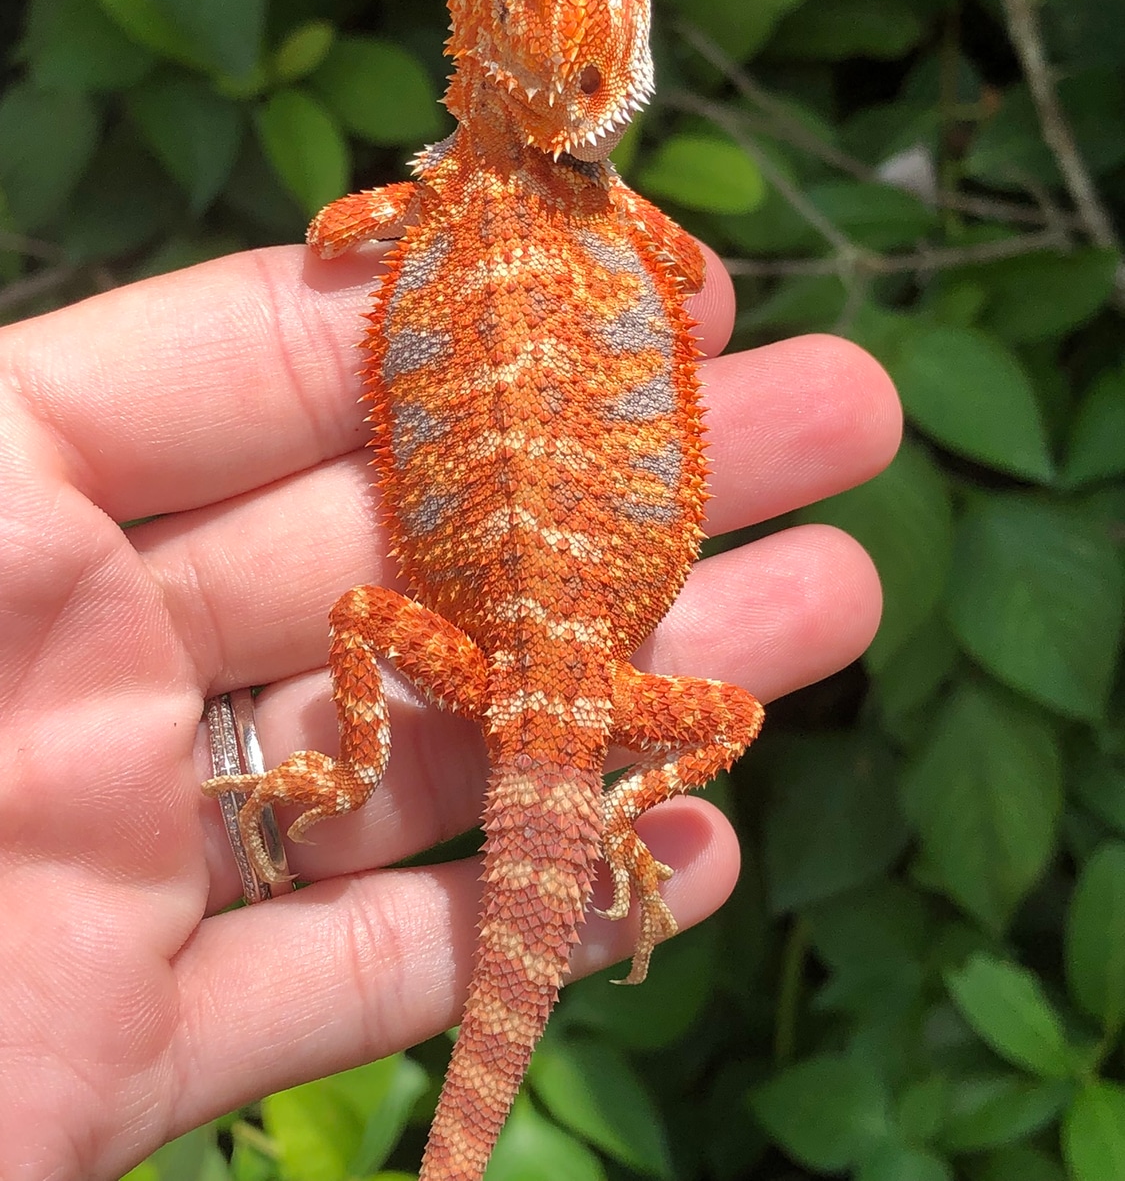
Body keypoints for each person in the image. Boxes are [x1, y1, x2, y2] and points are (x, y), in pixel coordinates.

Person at [0, 237, 900, 1181]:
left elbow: (348, 230)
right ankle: (518, 800)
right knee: (725, 715)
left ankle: (393, 780)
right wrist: (618, 803)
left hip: (536, 674)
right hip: (558, 678)